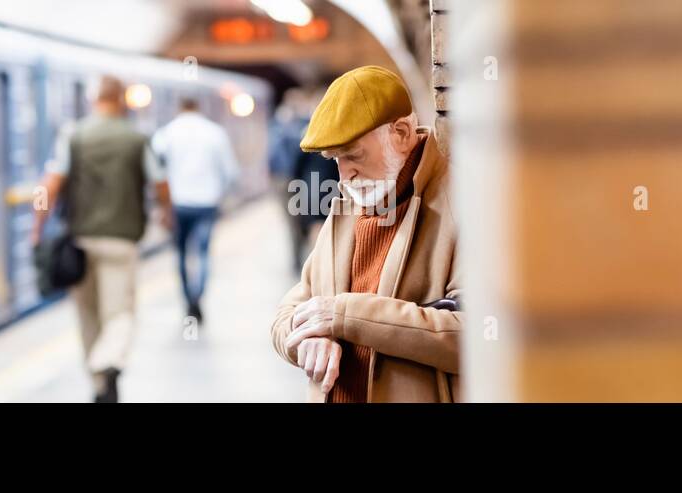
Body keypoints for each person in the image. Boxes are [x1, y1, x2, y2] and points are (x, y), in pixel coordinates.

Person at [269, 66, 461, 403]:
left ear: (401, 133)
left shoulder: (461, 202)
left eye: (354, 155)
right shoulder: (349, 204)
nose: (344, 175)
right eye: (334, 159)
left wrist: (343, 316)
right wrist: (304, 339)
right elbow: (291, 309)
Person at [31, 76, 158, 403]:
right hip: (122, 240)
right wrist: (166, 213)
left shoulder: (73, 136)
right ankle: (110, 361)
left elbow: (49, 186)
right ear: (121, 100)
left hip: (81, 241)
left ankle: (99, 383)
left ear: (93, 100)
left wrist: (37, 227)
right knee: (120, 312)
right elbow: (160, 183)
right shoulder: (137, 138)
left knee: (88, 315)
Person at [150, 97, 239, 325]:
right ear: (198, 108)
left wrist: (161, 205)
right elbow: (230, 172)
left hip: (177, 203)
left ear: (179, 109)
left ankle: (187, 299)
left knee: (180, 253)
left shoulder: (165, 134)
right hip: (206, 203)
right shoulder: (215, 133)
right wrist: (221, 196)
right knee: (202, 253)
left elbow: (156, 172)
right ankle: (197, 297)